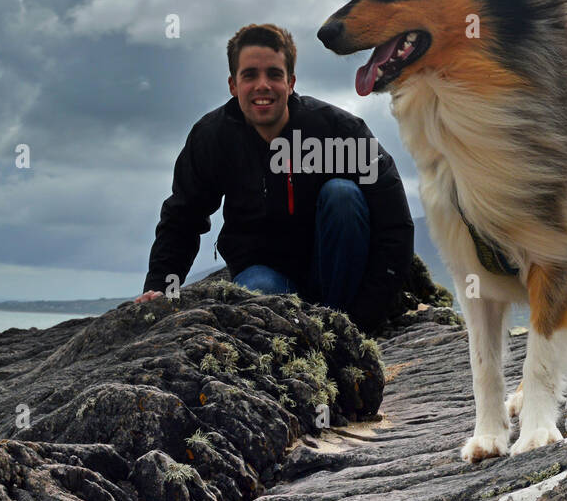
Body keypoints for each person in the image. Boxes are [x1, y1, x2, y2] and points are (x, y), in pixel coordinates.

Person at [135, 23, 414, 334]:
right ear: (232, 84)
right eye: (250, 75)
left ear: (291, 82)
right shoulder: (212, 138)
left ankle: (337, 329)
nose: (262, 85)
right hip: (266, 277)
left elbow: (395, 224)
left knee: (342, 195)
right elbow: (183, 218)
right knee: (257, 290)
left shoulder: (337, 131)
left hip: (337, 280)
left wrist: (365, 316)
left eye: (274, 74)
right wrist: (161, 287)